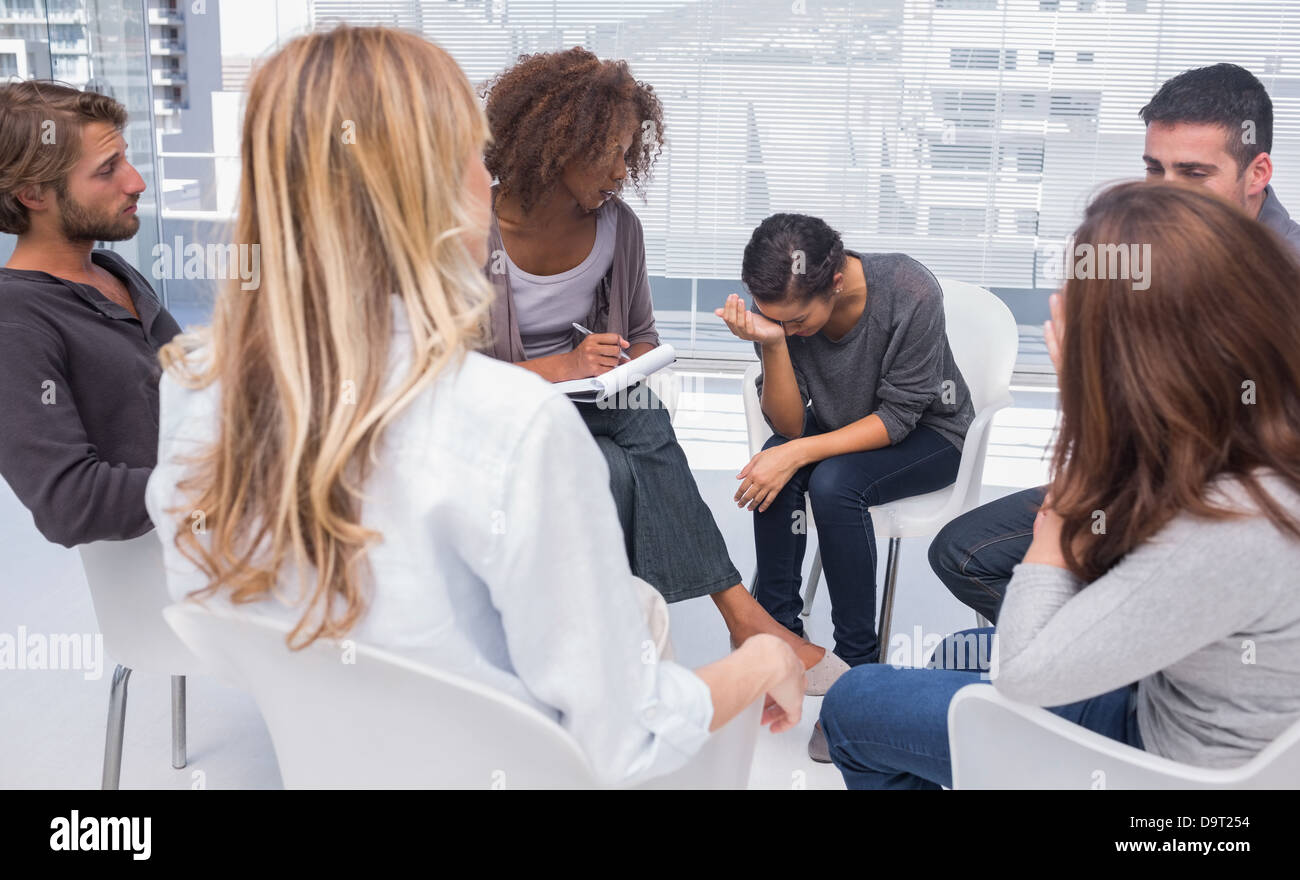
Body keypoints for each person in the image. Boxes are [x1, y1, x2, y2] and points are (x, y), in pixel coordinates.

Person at [144, 25, 805, 787]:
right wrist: (761, 662)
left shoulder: (196, 388)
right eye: (471, 151)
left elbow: (221, 629)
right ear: (424, 186)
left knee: (635, 559)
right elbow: (627, 741)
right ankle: (751, 624)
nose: (485, 177)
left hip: (334, 766)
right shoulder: (512, 429)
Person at [821, 181, 1300, 789]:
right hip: (1180, 708)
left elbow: (1023, 671)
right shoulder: (1258, 435)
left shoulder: (1226, 524)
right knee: (957, 653)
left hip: (1161, 773)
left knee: (855, 704)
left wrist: (1081, 406)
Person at [478, 47, 833, 684]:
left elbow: (639, 333)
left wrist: (633, 362)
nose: (623, 169)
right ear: (560, 145)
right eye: (611, 151)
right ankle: (738, 619)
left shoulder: (619, 227)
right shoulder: (469, 230)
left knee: (639, 417)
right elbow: (440, 375)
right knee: (618, 464)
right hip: (503, 413)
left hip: (590, 402)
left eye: (628, 150)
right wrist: (559, 366)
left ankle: (615, 651)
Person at [929, 62, 1300, 622]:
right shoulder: (1150, 255)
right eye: (1155, 169)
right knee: (963, 553)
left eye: (1194, 173)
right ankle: (1098, 668)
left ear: (1257, 171)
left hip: (1221, 514)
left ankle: (1109, 662)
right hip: (1141, 478)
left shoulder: (1283, 283)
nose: (1165, 194)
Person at [718, 214, 974, 757]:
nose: (788, 328)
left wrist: (798, 451)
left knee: (831, 482)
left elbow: (901, 417)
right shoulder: (785, 315)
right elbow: (789, 426)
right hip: (841, 425)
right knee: (777, 465)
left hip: (929, 433)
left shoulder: (909, 290)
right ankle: (777, 642)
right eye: (774, 319)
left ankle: (857, 677)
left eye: (797, 321)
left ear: (834, 282)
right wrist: (773, 345)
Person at [0, 81, 180, 547]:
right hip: (158, 574)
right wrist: (236, 487)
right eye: (107, 170)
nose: (135, 181)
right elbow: (70, 504)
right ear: (34, 195)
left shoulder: (109, 269)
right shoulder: (13, 320)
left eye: (125, 157)